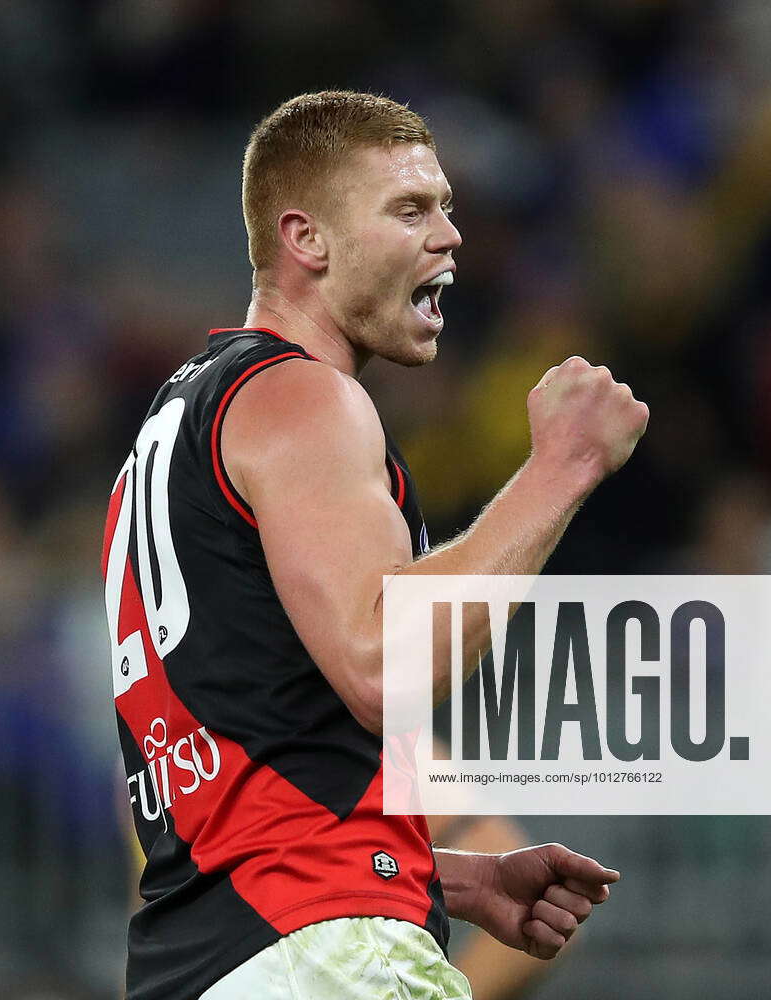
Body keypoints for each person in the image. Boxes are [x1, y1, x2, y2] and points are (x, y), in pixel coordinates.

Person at [102, 90, 648, 1000]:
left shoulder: (175, 433)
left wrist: (447, 880)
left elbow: (257, 744)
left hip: (205, 961)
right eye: (410, 209)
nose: (450, 235)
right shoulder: (299, 398)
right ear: (306, 240)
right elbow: (378, 665)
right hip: (324, 955)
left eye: (446, 206)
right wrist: (564, 464)